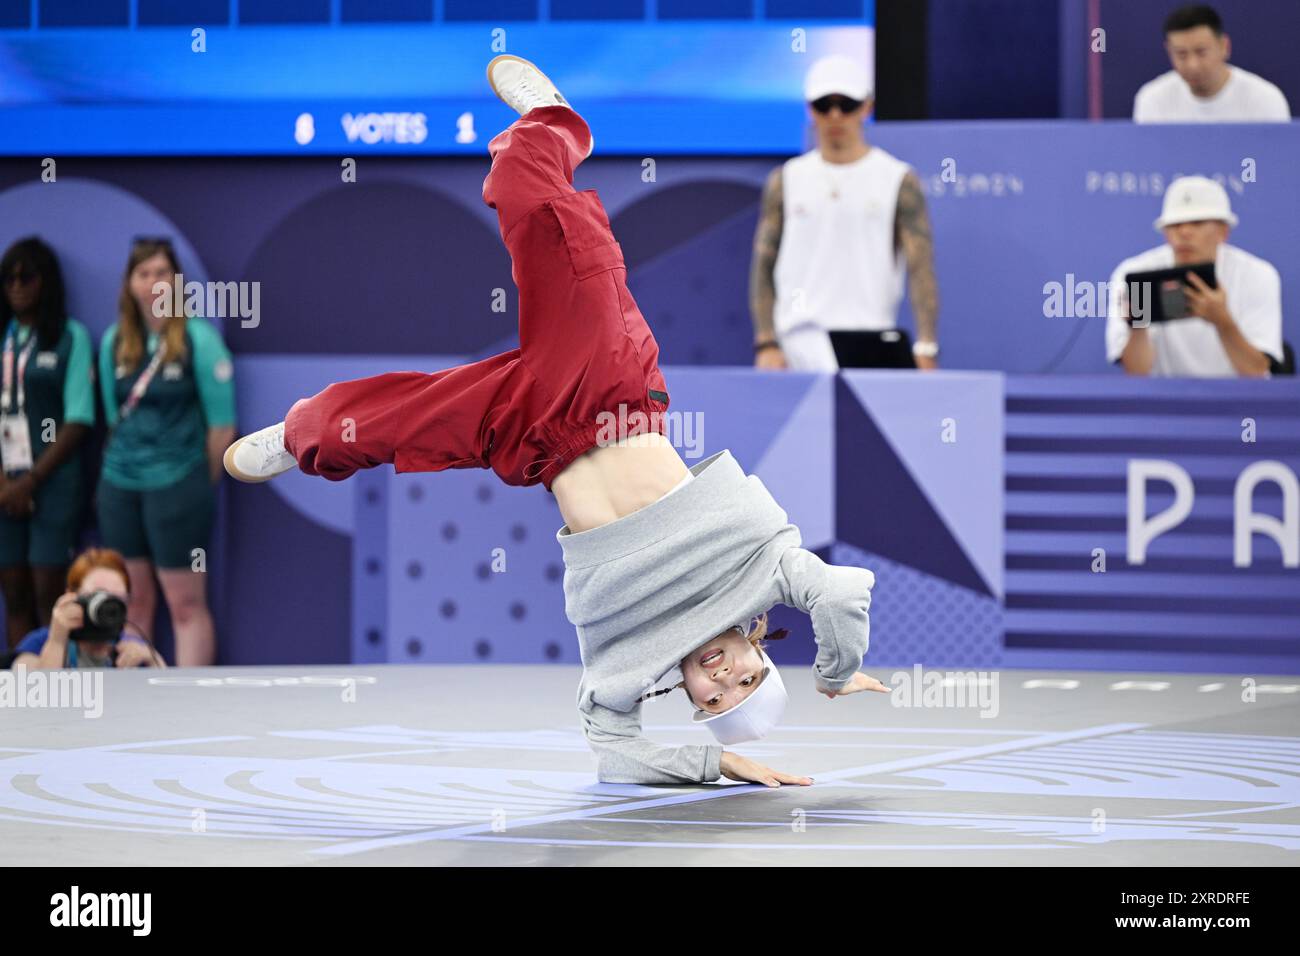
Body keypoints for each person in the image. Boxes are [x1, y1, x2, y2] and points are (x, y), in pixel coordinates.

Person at [224, 55, 886, 788]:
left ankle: (300, 435)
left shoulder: (625, 664)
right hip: (608, 389)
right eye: (748, 679)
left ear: (691, 703)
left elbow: (614, 748)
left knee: (399, 423)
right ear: (764, 650)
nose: (723, 679)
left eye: (715, 702)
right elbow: (843, 593)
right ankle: (554, 125)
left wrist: (714, 760)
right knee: (532, 201)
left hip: (536, 442)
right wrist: (835, 671)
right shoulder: (768, 573)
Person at [750, 53, 940, 372]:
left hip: (872, 342)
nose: (835, 116)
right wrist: (767, 342)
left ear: (867, 106)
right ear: (811, 110)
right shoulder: (785, 179)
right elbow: (764, 264)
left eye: (847, 105)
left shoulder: (897, 178)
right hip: (797, 345)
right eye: (825, 105)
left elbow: (920, 266)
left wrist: (926, 344)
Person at [95, 238, 236, 665]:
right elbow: (110, 415)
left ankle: (193, 711)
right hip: (119, 487)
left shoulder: (200, 339)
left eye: (161, 273)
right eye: (143, 274)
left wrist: (190, 483)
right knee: (133, 604)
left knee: (186, 606)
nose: (153, 283)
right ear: (129, 285)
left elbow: (222, 427)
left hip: (179, 488)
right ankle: (138, 708)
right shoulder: (114, 342)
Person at [0, 237, 95, 648]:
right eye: (9, 278)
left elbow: (79, 419)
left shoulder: (69, 336)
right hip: (4, 480)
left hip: (52, 479)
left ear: (47, 282)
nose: (17, 286)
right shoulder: (3, 337)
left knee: (48, 590)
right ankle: (22, 690)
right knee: (14, 590)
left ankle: (59, 683)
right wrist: (5, 482)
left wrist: (31, 480)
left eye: (27, 277)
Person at [1106, 175, 1282, 378]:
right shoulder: (1135, 274)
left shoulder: (1258, 275)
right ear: (1164, 232)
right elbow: (1137, 373)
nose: (1184, 232)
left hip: (1237, 402)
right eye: (1174, 224)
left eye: (1197, 223)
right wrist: (1137, 325)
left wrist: (1223, 322)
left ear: (1223, 231)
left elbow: (1256, 372)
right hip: (1163, 401)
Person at [10, 547, 164, 669]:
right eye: (98, 596)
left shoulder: (130, 647)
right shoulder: (41, 642)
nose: (107, 606)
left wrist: (152, 659)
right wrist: (57, 641)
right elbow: (37, 695)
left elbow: (168, 700)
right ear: (71, 596)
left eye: (117, 599)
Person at [1133, 4, 1290, 123]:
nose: (1193, 65)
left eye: (1201, 52)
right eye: (1181, 54)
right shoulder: (1152, 99)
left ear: (1224, 46)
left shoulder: (1265, 99)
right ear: (1169, 51)